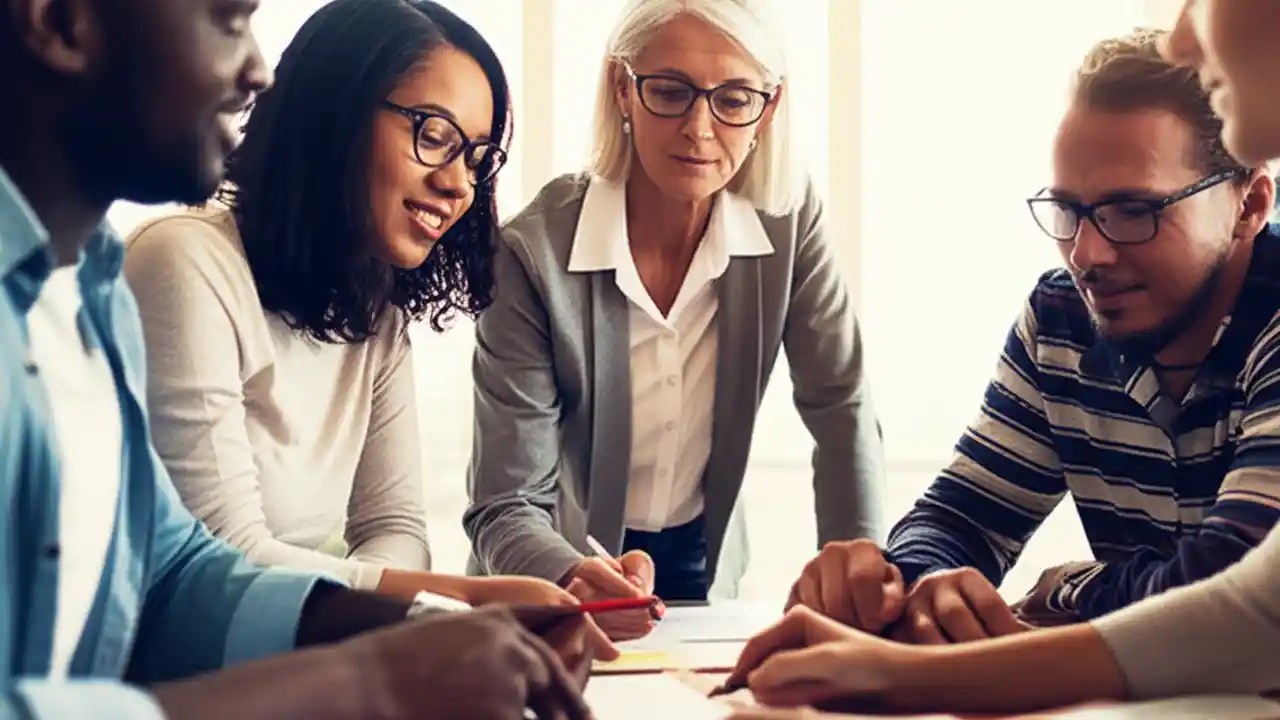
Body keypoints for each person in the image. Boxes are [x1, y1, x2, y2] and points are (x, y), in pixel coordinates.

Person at [0, 0, 600, 717]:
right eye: (227, 20)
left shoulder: (88, 296)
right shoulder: (173, 261)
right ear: (61, 19)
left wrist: (440, 621)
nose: (258, 72)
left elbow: (175, 574)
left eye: (475, 156)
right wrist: (375, 675)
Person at [722, 15, 1280, 716]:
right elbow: (963, 516)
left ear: (1251, 203)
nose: (1088, 255)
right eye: (1070, 212)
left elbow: (1232, 589)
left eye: (1133, 211)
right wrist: (911, 585)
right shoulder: (1063, 320)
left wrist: (1068, 589)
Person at [122, 0, 596, 614]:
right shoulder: (185, 262)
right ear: (334, 116)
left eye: (476, 158)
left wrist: (387, 602)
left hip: (291, 653)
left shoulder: (375, 313)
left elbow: (398, 528)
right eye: (433, 136)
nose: (458, 184)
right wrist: (460, 595)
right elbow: (225, 555)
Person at [463, 0, 884, 633]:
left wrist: (861, 580)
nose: (699, 128)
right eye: (669, 91)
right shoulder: (532, 253)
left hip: (705, 566)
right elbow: (506, 500)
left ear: (767, 110)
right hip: (551, 567)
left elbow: (840, 405)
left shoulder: (790, 221)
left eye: (734, 99)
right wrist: (570, 576)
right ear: (621, 89)